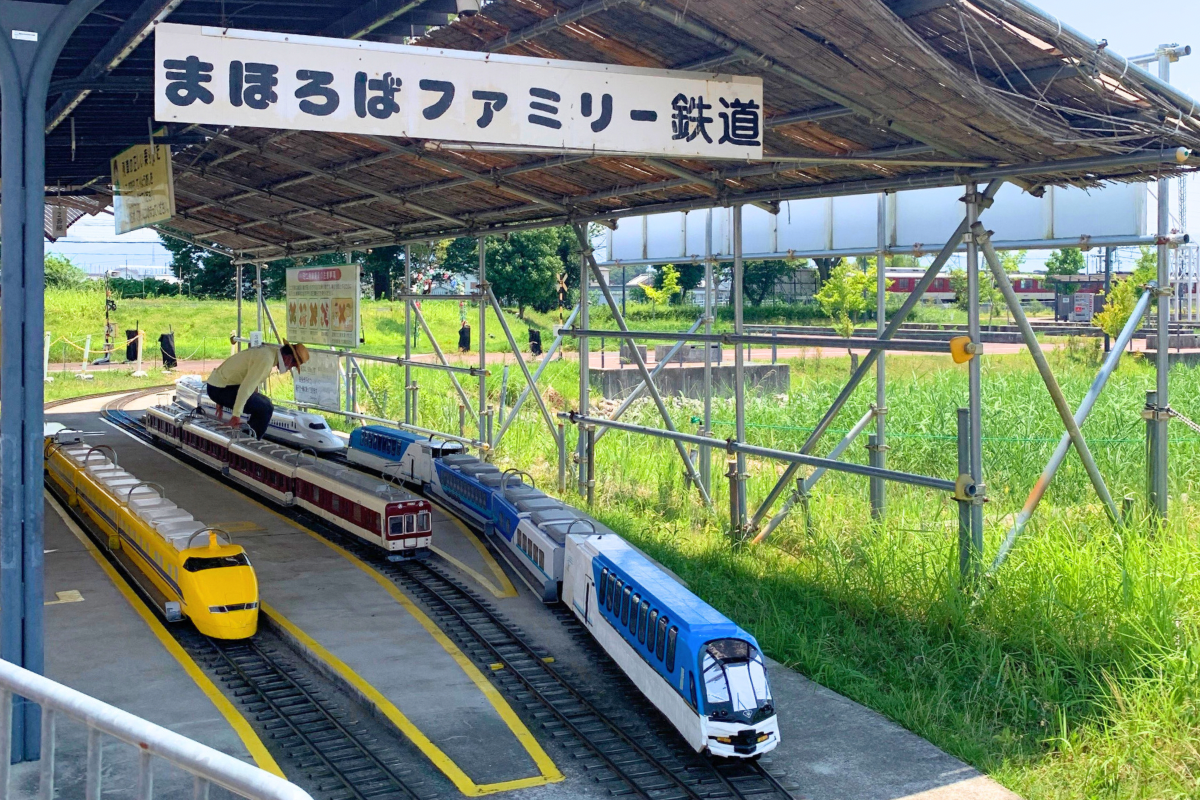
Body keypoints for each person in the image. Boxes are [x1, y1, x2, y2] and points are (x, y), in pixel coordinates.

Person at [206, 341, 309, 439]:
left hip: (218, 385)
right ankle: (248, 442)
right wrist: (236, 416)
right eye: (293, 365)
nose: (289, 368)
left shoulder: (268, 352)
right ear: (288, 358)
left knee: (263, 402)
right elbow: (246, 388)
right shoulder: (266, 360)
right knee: (265, 407)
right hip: (219, 388)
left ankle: (247, 436)